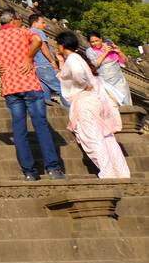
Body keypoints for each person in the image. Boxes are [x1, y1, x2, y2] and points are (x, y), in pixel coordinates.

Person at [0, 10, 65, 181]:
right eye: (19, 19)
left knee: (19, 130)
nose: (21, 21)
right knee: (41, 125)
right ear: (13, 20)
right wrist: (28, 57)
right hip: (30, 85)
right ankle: (53, 169)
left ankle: (29, 172)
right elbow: (38, 40)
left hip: (10, 87)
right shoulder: (23, 32)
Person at [54, 31, 130, 178]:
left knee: (92, 139)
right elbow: (68, 74)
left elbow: (76, 74)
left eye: (58, 45)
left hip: (85, 102)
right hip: (96, 101)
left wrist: (83, 84)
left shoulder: (73, 60)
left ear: (62, 45)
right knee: (107, 138)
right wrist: (60, 60)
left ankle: (108, 173)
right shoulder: (77, 57)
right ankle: (121, 173)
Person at [28, 13, 67, 108]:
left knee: (45, 93)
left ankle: (50, 112)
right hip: (45, 65)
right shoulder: (38, 32)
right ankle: (71, 111)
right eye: (43, 22)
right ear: (35, 22)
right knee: (62, 89)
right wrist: (53, 62)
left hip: (36, 67)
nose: (45, 25)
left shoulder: (28, 33)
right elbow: (43, 47)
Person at [86, 33, 132, 106]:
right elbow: (95, 64)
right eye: (92, 42)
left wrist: (118, 51)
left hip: (119, 80)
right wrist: (106, 52)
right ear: (89, 42)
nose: (95, 43)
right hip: (104, 81)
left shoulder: (108, 45)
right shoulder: (90, 51)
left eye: (96, 40)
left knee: (125, 101)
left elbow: (125, 61)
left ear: (101, 39)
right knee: (112, 103)